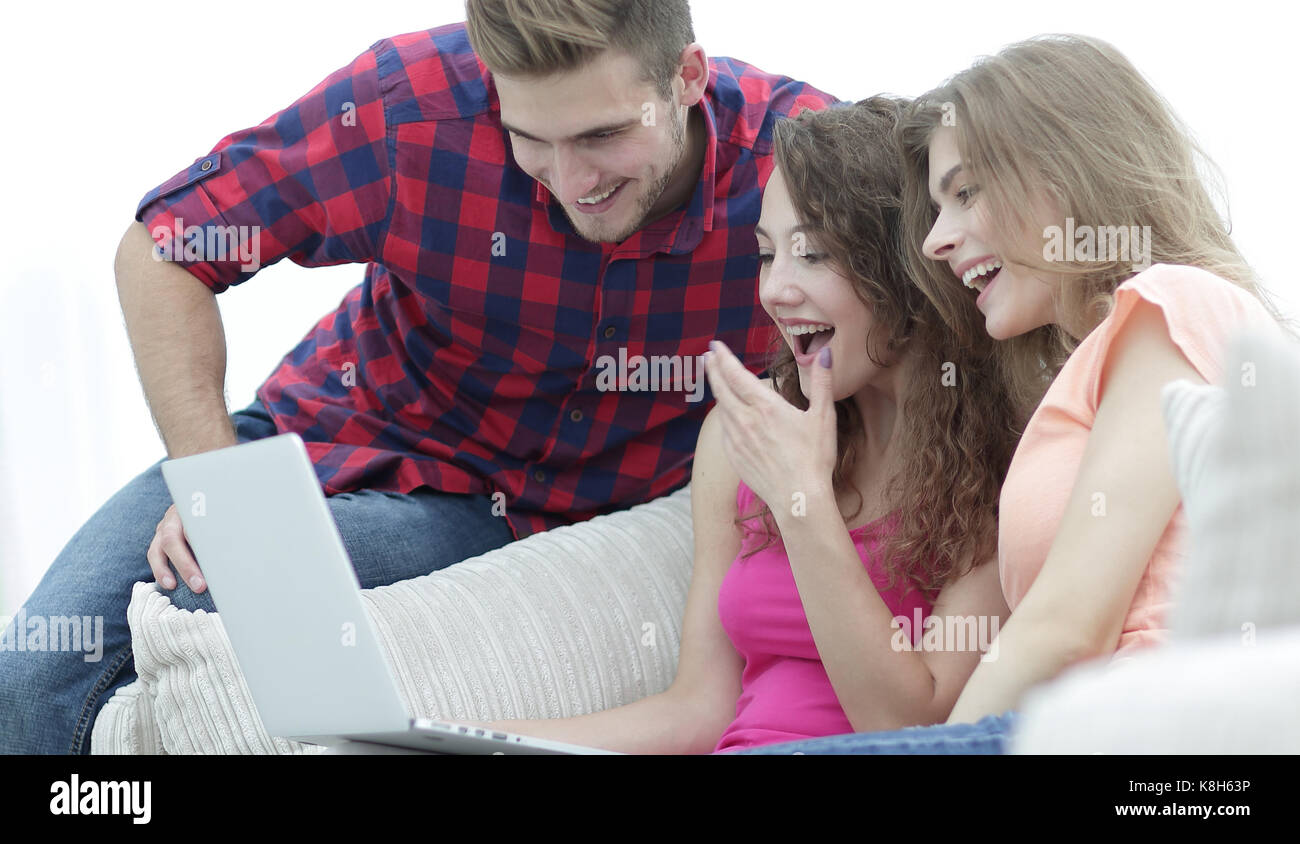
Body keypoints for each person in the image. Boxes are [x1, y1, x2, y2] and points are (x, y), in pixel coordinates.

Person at [0, 0, 838, 754]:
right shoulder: (410, 105)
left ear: (687, 77)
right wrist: (220, 482)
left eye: (602, 136)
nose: (573, 182)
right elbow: (164, 250)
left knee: (195, 608)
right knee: (33, 671)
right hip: (345, 427)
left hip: (493, 515)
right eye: (529, 140)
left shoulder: (803, 162)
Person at [730, 34, 1290, 754]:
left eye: (965, 193)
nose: (936, 240)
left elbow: (1066, 625)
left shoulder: (1170, 302)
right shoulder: (1082, 370)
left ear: (1065, 174)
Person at [458, 98, 1021, 754]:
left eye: (811, 255)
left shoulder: (1003, 456)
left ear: (904, 263)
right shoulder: (741, 435)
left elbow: (910, 728)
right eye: (764, 255)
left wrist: (801, 503)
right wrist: (468, 740)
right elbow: (700, 709)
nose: (775, 290)